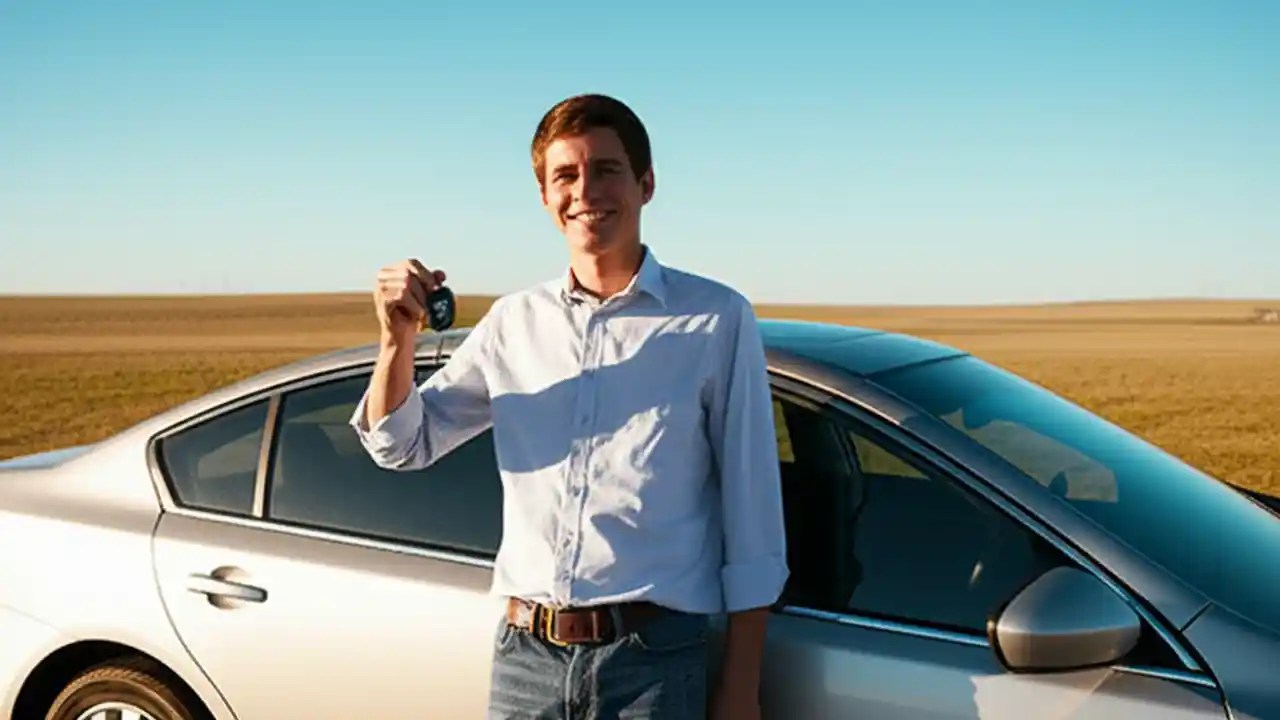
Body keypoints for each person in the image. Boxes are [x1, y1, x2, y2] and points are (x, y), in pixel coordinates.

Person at [349, 93, 787, 719]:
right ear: (545, 196)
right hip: (525, 662)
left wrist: (740, 690)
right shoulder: (514, 323)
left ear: (646, 183)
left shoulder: (715, 320)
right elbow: (401, 444)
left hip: (654, 664)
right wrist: (397, 341)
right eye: (565, 175)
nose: (585, 190)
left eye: (606, 169)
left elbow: (754, 519)